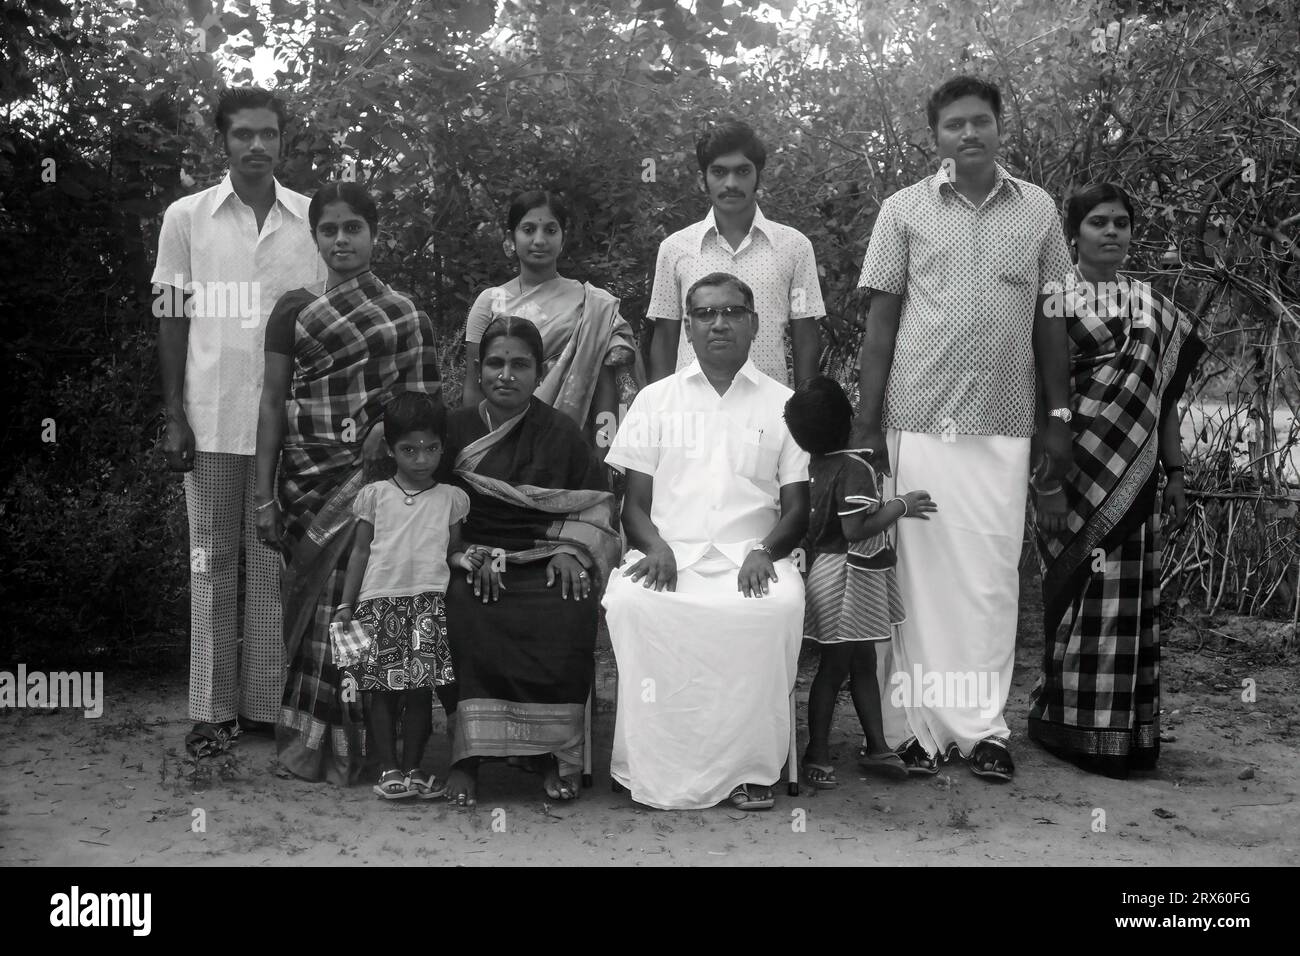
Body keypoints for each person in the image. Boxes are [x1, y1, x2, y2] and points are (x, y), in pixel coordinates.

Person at [854, 76, 1074, 782]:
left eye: (981, 121)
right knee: (913, 579)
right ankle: (910, 728)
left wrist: (1058, 419)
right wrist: (864, 425)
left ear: (1000, 127)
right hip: (918, 418)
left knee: (988, 581)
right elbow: (880, 324)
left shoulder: (1037, 208)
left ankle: (982, 728)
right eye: (956, 124)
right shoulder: (903, 210)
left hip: (1005, 423)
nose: (970, 134)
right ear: (936, 135)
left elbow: (1052, 323)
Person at [153, 86, 326, 758]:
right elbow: (170, 315)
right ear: (221, 141)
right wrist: (173, 414)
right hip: (212, 415)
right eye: (244, 134)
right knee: (210, 561)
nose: (257, 146)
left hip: (287, 425)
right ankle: (209, 710)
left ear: (284, 141)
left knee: (272, 562)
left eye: (269, 134)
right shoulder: (186, 218)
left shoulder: (311, 219)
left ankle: (261, 705)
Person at [254, 182, 441, 785]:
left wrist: (388, 430)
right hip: (309, 482)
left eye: (353, 227)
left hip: (378, 485)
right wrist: (263, 495)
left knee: (357, 609)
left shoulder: (407, 313)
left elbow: (426, 403)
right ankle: (311, 744)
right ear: (315, 237)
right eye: (329, 229)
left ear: (374, 235)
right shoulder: (292, 308)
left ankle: (362, 746)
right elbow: (272, 403)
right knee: (315, 614)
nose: (341, 239)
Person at [604, 271, 810, 811]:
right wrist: (655, 548)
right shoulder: (655, 400)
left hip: (754, 556)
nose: (719, 323)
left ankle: (752, 770)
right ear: (688, 329)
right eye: (705, 314)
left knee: (777, 607)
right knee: (632, 602)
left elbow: (797, 509)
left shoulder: (787, 405)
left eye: (732, 312)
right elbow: (635, 506)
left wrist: (764, 550)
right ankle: (655, 767)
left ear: (754, 323)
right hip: (670, 556)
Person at [1029, 183, 1203, 779]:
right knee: (1078, 591)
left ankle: (1123, 730)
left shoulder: (1153, 307)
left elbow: (1165, 398)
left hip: (1134, 475)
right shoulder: (1052, 299)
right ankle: (1067, 723)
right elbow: (1036, 394)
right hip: (1072, 471)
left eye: (1122, 223)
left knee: (1126, 599)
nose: (1112, 232)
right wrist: (1045, 482)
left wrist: (1176, 470)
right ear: (1073, 232)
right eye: (1098, 222)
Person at [439, 315, 620, 807]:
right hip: (472, 559)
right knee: (460, 607)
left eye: (520, 364)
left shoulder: (562, 433)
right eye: (495, 363)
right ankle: (468, 756)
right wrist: (461, 556)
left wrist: (571, 550)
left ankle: (547, 755)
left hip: (543, 560)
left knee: (565, 608)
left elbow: (598, 505)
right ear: (478, 369)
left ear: (539, 373)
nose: (506, 374)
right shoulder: (452, 430)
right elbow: (425, 502)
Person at [783, 376, 937, 788]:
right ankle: (817, 751)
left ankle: (877, 746)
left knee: (861, 661)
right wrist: (901, 506)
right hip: (847, 576)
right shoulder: (853, 469)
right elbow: (855, 529)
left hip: (831, 572)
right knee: (836, 668)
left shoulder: (816, 464)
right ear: (848, 420)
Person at [332, 392, 475, 800]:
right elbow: (360, 552)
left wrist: (465, 560)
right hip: (379, 601)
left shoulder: (451, 499)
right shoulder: (375, 496)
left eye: (431, 449)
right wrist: (346, 604)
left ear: (442, 448)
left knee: (419, 690)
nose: (421, 459)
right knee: (380, 689)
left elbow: (452, 549)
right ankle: (387, 769)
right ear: (391, 449)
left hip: (428, 604)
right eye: (409, 450)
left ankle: (414, 768)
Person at [646, 119, 825, 388]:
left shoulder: (794, 247)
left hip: (769, 412)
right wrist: (659, 412)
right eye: (719, 172)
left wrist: (805, 410)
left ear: (758, 177)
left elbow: (805, 336)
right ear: (702, 180)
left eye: (742, 171)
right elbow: (665, 338)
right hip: (691, 411)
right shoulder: (675, 249)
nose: (731, 183)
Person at [461, 190, 642, 443]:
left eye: (550, 230)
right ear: (510, 238)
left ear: (563, 239)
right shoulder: (490, 301)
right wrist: (475, 447)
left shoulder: (591, 304)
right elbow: (474, 385)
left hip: (572, 443)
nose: (539, 240)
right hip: (498, 441)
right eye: (528, 229)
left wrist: (602, 455)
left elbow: (605, 390)